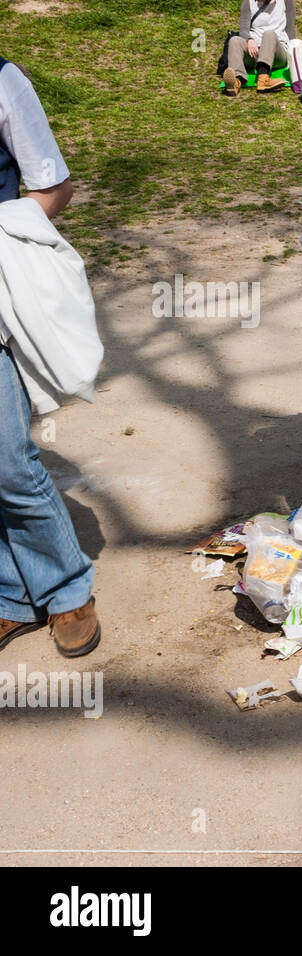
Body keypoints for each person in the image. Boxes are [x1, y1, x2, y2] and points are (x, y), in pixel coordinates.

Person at [0, 58, 100, 657]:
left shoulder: (3, 80)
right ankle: (12, 596)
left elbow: (52, 186)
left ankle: (66, 590)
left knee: (8, 462)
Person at [222, 0, 298, 96]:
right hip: (255, 51)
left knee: (269, 34)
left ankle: (263, 77)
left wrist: (293, 52)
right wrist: (249, 39)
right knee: (235, 40)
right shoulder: (248, 2)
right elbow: (243, 29)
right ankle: (236, 80)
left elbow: (290, 29)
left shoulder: (286, 1)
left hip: (277, 53)